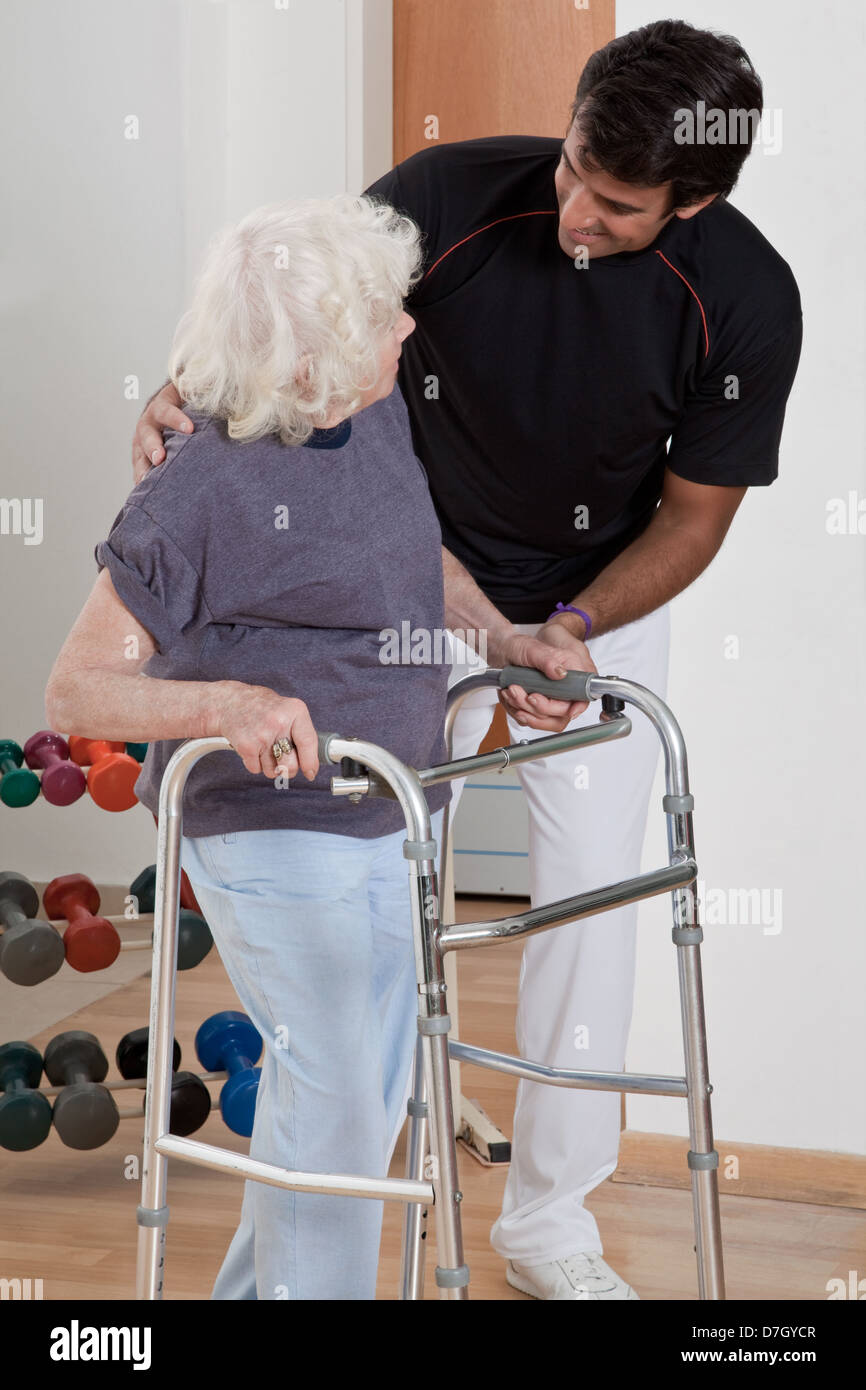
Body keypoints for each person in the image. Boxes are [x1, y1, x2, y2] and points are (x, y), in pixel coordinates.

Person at [132, 20, 803, 1300]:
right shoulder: (444, 197)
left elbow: (694, 515)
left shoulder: (747, 299)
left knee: (595, 899)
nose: (573, 212)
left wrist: (572, 630)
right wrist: (178, 386)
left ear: (696, 198)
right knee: (374, 882)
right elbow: (288, 312)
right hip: (404, 574)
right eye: (569, 170)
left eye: (615, 204)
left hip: (590, 600)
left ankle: (546, 1221)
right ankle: (354, 1190)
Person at [47, 194, 584, 1300]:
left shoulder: (371, 413)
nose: (405, 328)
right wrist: (227, 705)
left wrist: (507, 637)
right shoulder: (198, 480)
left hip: (394, 806)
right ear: (306, 360)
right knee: (338, 1086)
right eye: (381, 313)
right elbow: (76, 684)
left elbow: (416, 564)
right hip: (274, 824)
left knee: (354, 1096)